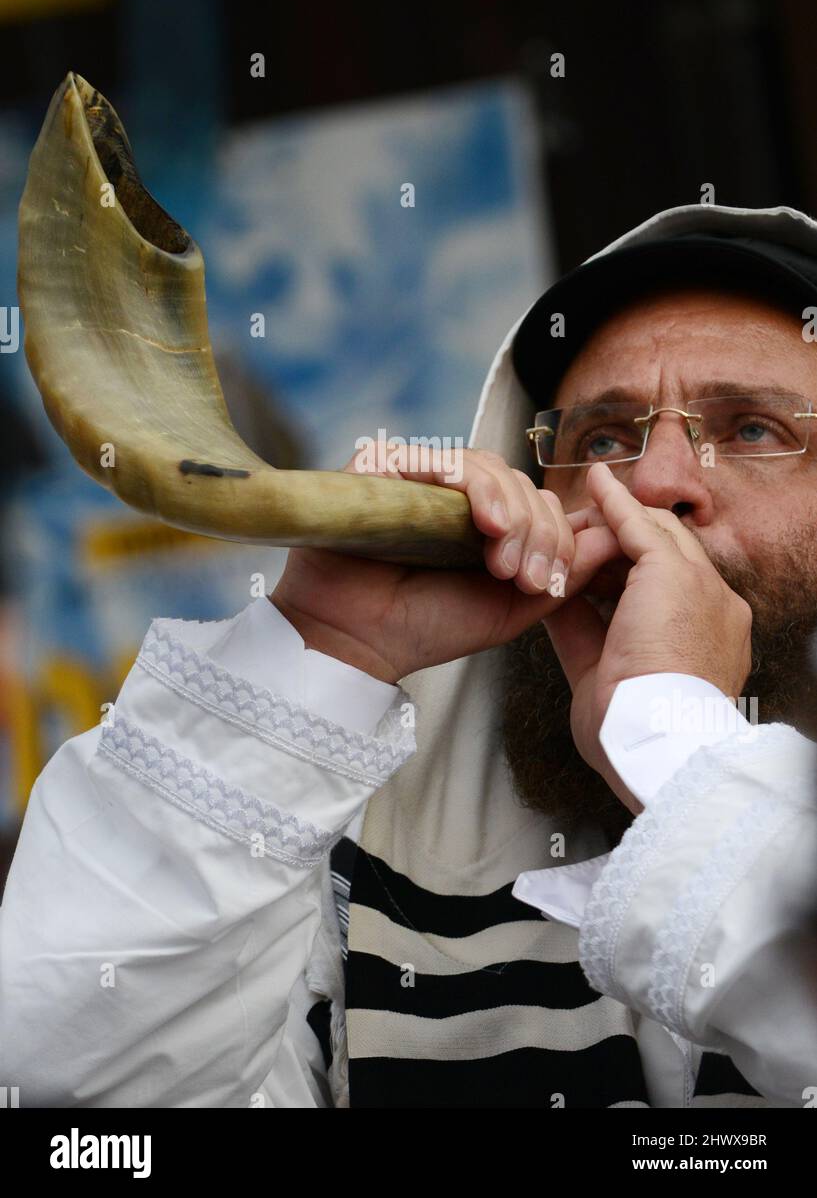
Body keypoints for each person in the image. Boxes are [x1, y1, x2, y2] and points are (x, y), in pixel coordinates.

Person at [3, 201, 817, 1109]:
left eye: (752, 429)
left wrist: (674, 741)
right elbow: (79, 1109)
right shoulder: (344, 863)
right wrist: (325, 648)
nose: (654, 482)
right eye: (603, 440)